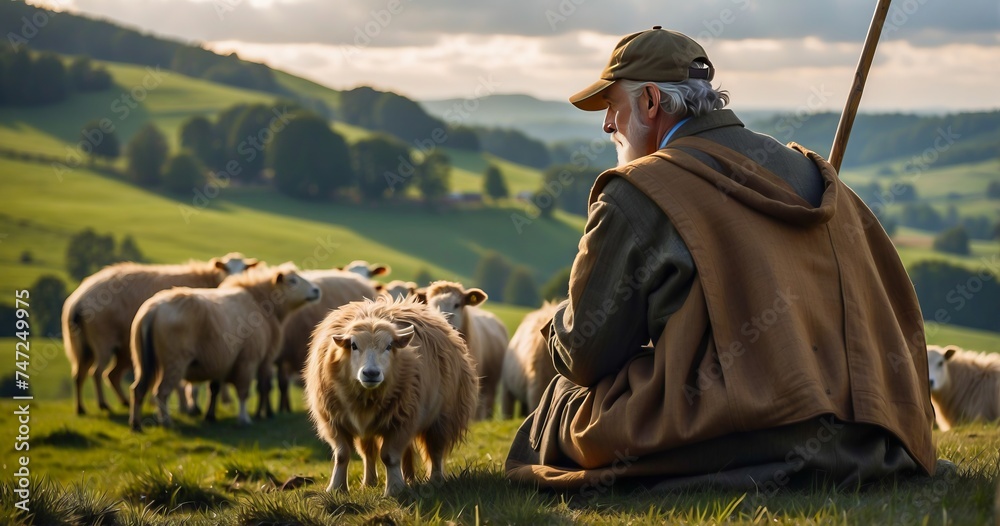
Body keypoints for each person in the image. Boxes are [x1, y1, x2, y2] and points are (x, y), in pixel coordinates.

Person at [504, 26, 936, 494]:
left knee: (563, 402)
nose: (607, 124)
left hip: (740, 432)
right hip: (865, 434)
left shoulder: (638, 190)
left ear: (651, 102)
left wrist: (561, 328)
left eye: (613, 106)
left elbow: (584, 355)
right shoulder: (814, 173)